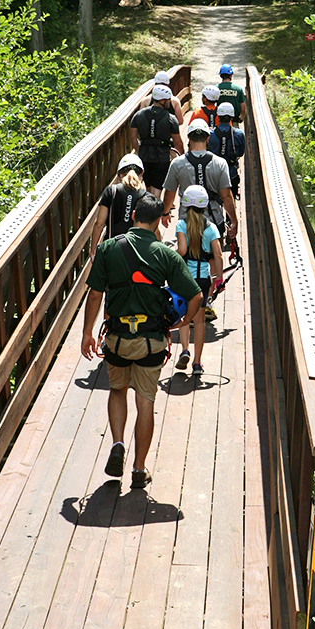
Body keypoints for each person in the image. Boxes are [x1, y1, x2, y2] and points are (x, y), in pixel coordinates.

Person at [81, 194, 202, 487]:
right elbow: (196, 295)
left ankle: (118, 444)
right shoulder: (166, 255)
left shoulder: (109, 248)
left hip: (117, 339)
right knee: (145, 401)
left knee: (117, 390)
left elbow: (95, 294)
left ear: (134, 215)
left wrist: (87, 333)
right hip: (151, 341)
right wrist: (182, 322)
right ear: (160, 220)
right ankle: (138, 468)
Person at [160, 118, 238, 241]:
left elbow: (170, 193)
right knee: (215, 251)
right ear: (208, 138)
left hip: (187, 221)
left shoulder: (177, 163)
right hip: (213, 219)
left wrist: (165, 213)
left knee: (186, 250)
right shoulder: (220, 163)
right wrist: (234, 220)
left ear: (189, 139)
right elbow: (226, 196)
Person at [173, 185, 223, 375]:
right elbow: (218, 255)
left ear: (185, 204)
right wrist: (219, 278)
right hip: (202, 279)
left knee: (184, 315)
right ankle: (197, 363)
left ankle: (185, 350)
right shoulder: (211, 228)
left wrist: (171, 255)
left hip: (184, 278)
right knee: (200, 321)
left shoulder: (181, 225)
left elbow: (182, 250)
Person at [129, 84, 183, 197]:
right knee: (157, 189)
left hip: (144, 156)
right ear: (162, 100)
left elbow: (133, 137)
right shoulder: (170, 118)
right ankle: (155, 206)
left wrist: (138, 151)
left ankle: (149, 205)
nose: (170, 102)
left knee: (148, 188)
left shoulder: (138, 115)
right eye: (168, 100)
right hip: (162, 158)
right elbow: (178, 142)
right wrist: (182, 158)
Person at [90, 153, 147, 258]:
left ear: (120, 174)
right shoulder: (144, 196)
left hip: (111, 248)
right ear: (141, 173)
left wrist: (93, 250)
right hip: (135, 251)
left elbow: (99, 224)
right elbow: (151, 227)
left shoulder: (111, 191)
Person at [208, 102, 246, 198]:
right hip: (231, 173)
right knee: (230, 199)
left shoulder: (210, 134)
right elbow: (241, 153)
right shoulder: (238, 134)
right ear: (232, 117)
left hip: (213, 173)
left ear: (218, 116)